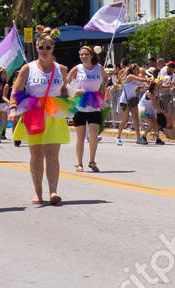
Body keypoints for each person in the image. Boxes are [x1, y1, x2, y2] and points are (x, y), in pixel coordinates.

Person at [11, 30, 70, 205]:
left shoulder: (61, 69)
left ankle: (53, 191)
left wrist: (72, 99)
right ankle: (38, 192)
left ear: (53, 48)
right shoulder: (28, 68)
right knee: (36, 154)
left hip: (53, 115)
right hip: (33, 114)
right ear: (36, 48)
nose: (44, 50)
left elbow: (65, 91)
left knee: (52, 154)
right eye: (41, 47)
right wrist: (13, 109)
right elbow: (16, 90)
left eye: (47, 47)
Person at [68, 44, 105, 172]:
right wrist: (75, 91)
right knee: (80, 136)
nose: (83, 57)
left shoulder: (99, 68)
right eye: (81, 55)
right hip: (80, 105)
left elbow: (105, 80)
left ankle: (92, 161)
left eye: (86, 54)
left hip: (94, 104)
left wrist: (101, 93)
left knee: (94, 135)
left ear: (91, 55)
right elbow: (66, 84)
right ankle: (79, 163)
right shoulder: (77, 69)